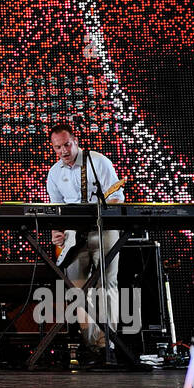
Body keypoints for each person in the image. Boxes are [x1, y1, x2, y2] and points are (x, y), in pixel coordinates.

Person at [45, 121, 125, 351]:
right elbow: (56, 211)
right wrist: (56, 233)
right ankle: (92, 345)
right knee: (78, 288)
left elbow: (117, 197)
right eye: (58, 147)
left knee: (107, 284)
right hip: (73, 237)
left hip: (103, 230)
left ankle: (107, 343)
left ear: (76, 142)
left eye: (67, 145)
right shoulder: (54, 174)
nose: (63, 151)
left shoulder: (97, 161)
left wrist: (100, 208)